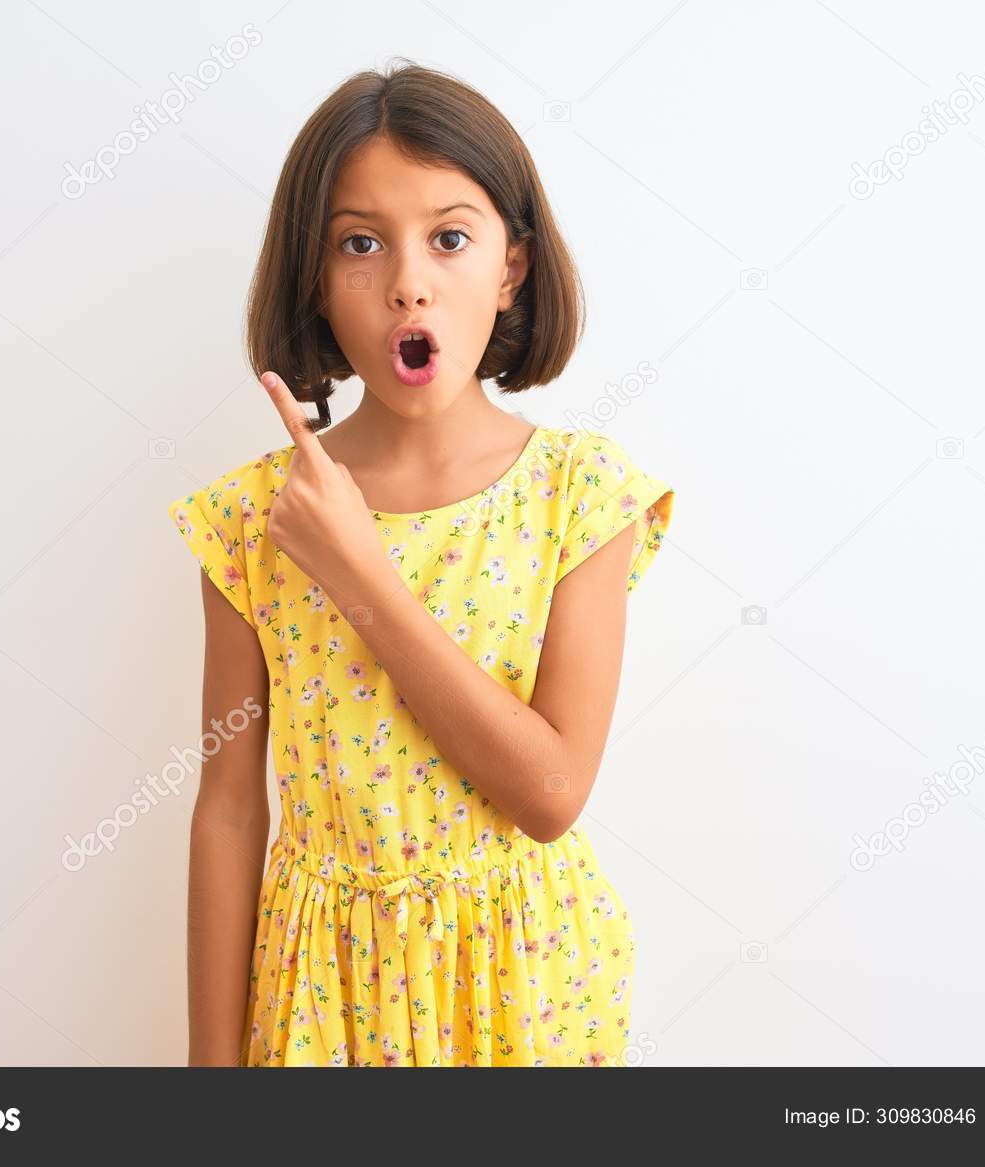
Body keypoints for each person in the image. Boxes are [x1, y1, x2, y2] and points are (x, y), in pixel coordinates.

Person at [167, 60, 673, 1066]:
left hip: (525, 992)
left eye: (449, 237)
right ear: (315, 281)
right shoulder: (253, 520)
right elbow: (227, 811)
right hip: (323, 999)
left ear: (510, 270)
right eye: (360, 243)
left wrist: (361, 576)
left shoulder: (581, 495)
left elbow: (550, 795)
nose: (407, 281)